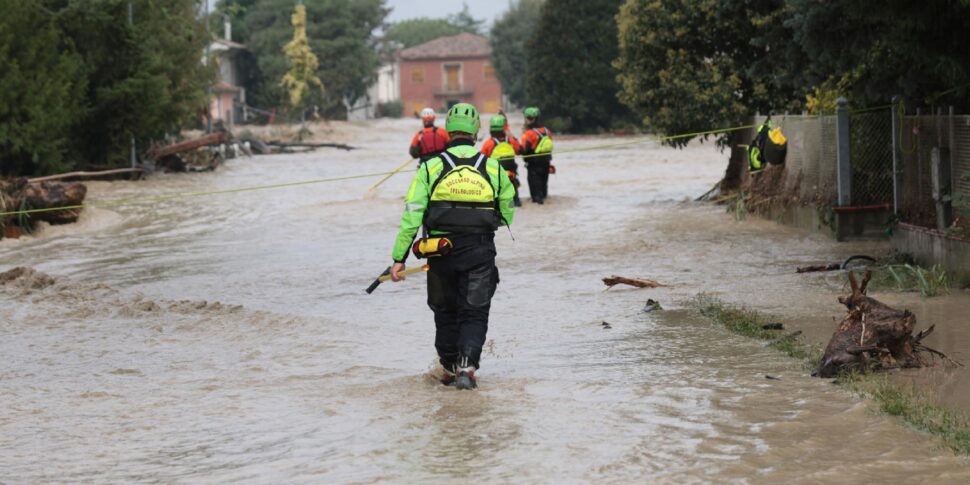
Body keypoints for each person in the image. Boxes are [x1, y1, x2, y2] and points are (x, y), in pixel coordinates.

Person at [389, 103, 516, 390]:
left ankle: (447, 367)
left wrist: (399, 258)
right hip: (479, 251)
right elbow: (508, 213)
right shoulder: (493, 168)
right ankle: (467, 367)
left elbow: (412, 215)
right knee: (475, 311)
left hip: (439, 252)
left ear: (447, 130)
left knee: (444, 311)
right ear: (475, 132)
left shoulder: (431, 167)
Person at [480, 114, 523, 207]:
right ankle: (516, 201)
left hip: (496, 174)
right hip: (511, 172)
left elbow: (482, 159)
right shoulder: (511, 141)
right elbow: (519, 151)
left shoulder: (488, 143)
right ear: (503, 128)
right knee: (513, 184)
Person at [519, 106, 554, 204]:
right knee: (543, 189)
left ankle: (538, 203)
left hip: (533, 166)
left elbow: (524, 150)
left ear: (529, 119)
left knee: (536, 196)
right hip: (546, 163)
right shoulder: (547, 131)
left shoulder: (529, 134)